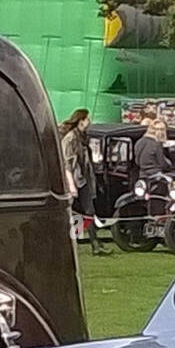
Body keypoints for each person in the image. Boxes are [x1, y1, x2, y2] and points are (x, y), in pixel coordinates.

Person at [59, 108, 109, 255]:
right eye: (87, 119)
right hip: (74, 180)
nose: (89, 122)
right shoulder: (70, 139)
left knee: (89, 211)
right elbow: (67, 164)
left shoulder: (83, 137)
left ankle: (95, 244)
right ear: (80, 121)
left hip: (84, 180)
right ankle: (72, 242)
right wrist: (71, 185)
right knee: (71, 213)